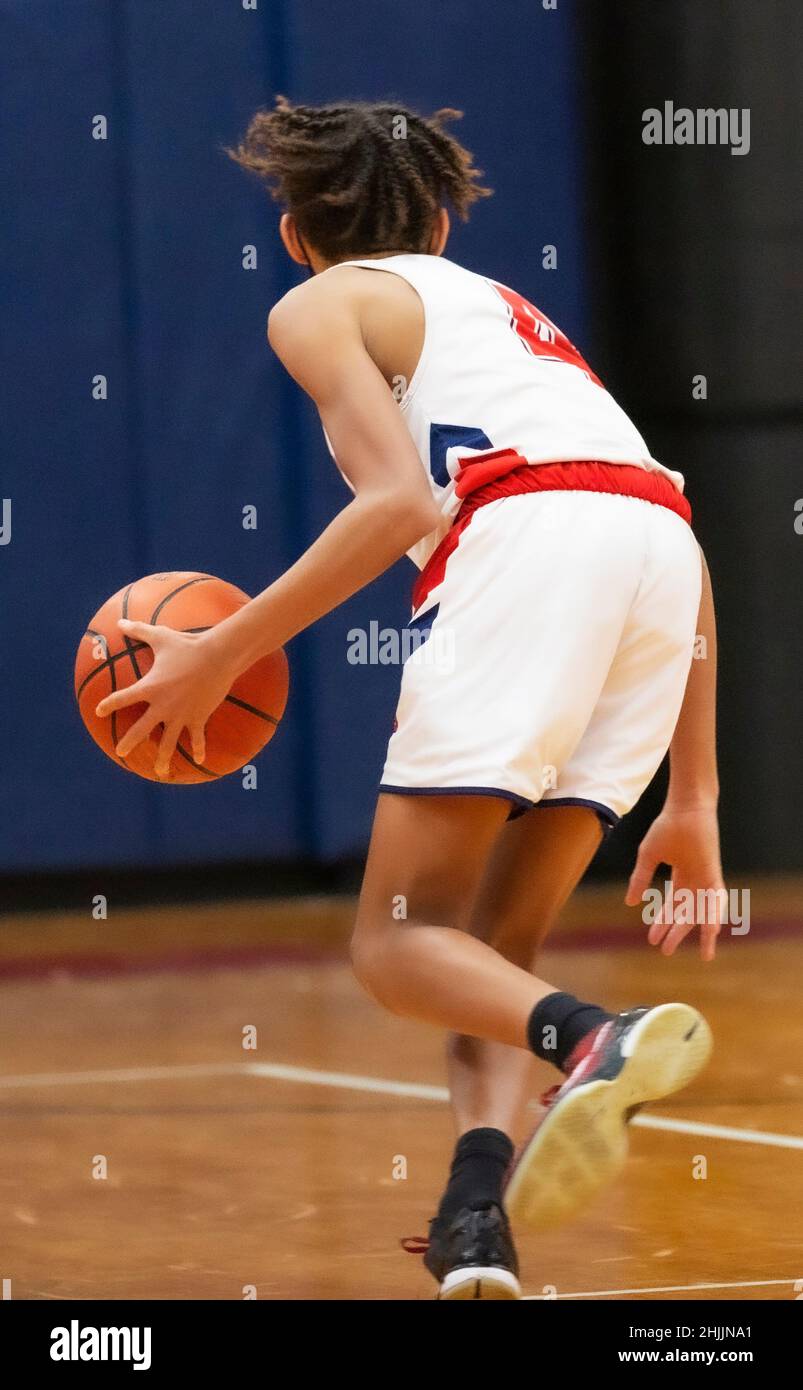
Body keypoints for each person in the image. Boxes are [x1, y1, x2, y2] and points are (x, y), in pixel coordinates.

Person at [96, 99, 725, 1300]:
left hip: (524, 550)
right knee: (484, 954)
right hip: (654, 556)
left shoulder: (316, 301)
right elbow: (667, 531)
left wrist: (220, 649)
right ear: (439, 220)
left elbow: (398, 507)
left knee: (393, 943)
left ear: (294, 235)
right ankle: (471, 1219)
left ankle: (597, 1038)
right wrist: (689, 797)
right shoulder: (513, 319)